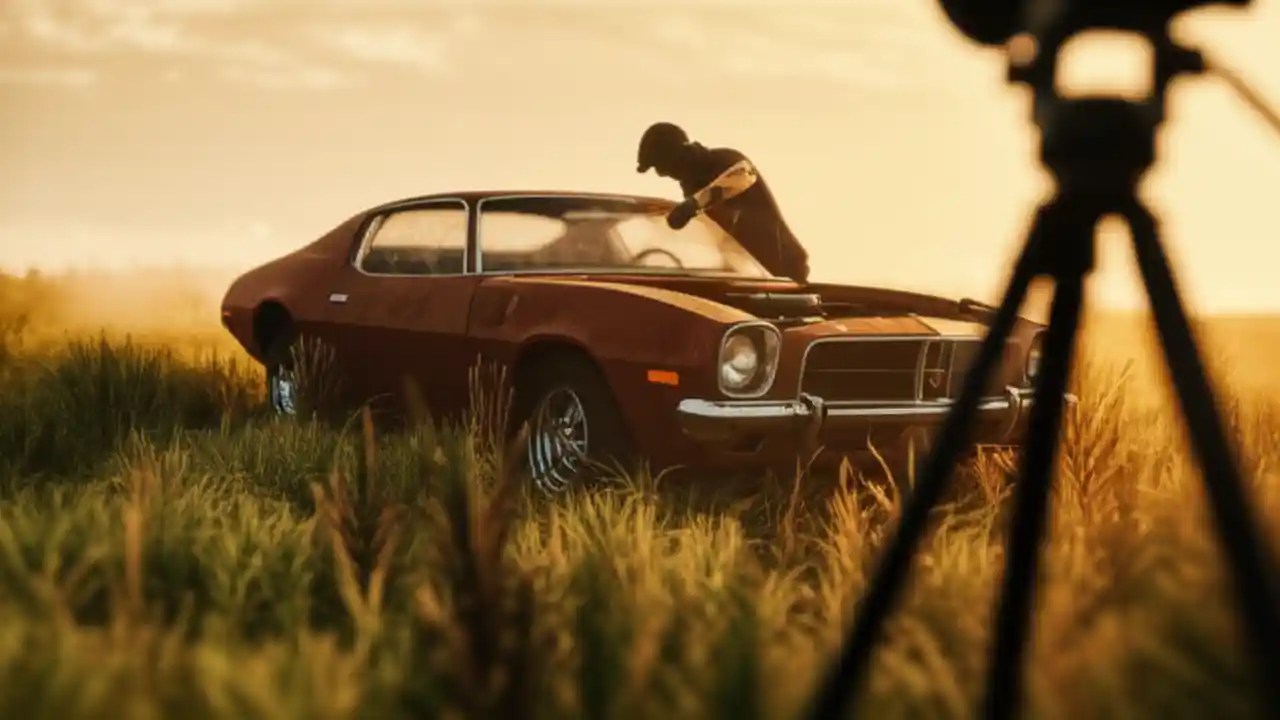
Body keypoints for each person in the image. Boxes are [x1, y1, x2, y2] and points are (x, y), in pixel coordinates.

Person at [635, 121, 810, 282]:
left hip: (782, 269)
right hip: (742, 274)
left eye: (661, 165)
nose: (662, 174)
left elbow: (742, 178)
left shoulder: (725, 160)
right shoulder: (692, 186)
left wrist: (694, 205)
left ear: (679, 153)